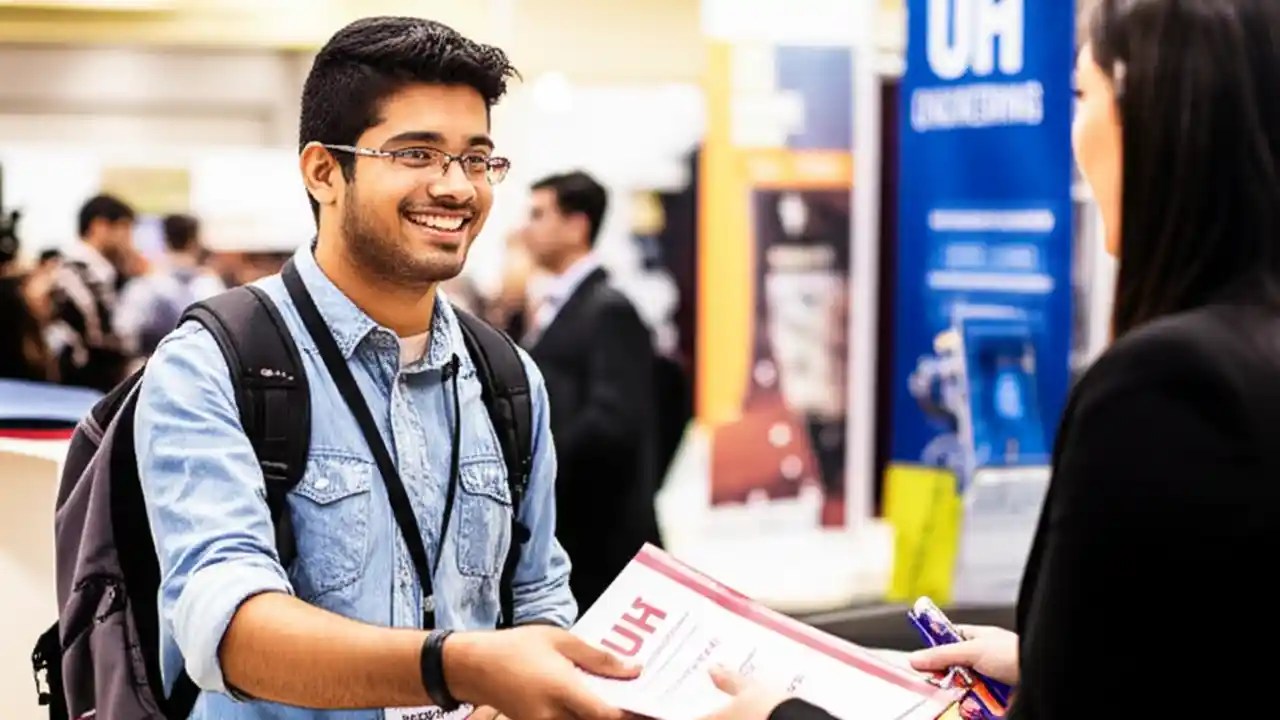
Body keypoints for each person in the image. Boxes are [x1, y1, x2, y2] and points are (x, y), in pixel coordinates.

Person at [701, 0, 1280, 717]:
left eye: (1082, 95)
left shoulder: (1166, 386)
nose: (1074, 134)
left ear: (1156, 114)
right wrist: (1047, 658)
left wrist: (780, 714)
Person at [133, 17, 636, 720]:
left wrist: (522, 673)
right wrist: (460, 668)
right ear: (322, 171)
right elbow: (229, 629)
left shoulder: (507, 379)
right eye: (417, 154)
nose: (458, 187)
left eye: (477, 158)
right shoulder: (219, 364)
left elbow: (539, 595)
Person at [521, 170, 663, 611]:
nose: (526, 228)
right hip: (573, 536)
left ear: (576, 225)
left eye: (539, 214)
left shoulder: (608, 311)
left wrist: (537, 468)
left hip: (602, 543)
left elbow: (613, 422)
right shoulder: (557, 308)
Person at [48, 193, 137, 391]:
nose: (129, 240)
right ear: (99, 226)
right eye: (125, 229)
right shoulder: (76, 271)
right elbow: (97, 335)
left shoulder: (101, 271)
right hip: (80, 383)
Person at [115, 213, 225, 358]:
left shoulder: (144, 285)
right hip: (201, 370)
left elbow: (124, 332)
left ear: (165, 240)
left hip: (151, 369)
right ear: (194, 242)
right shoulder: (210, 284)